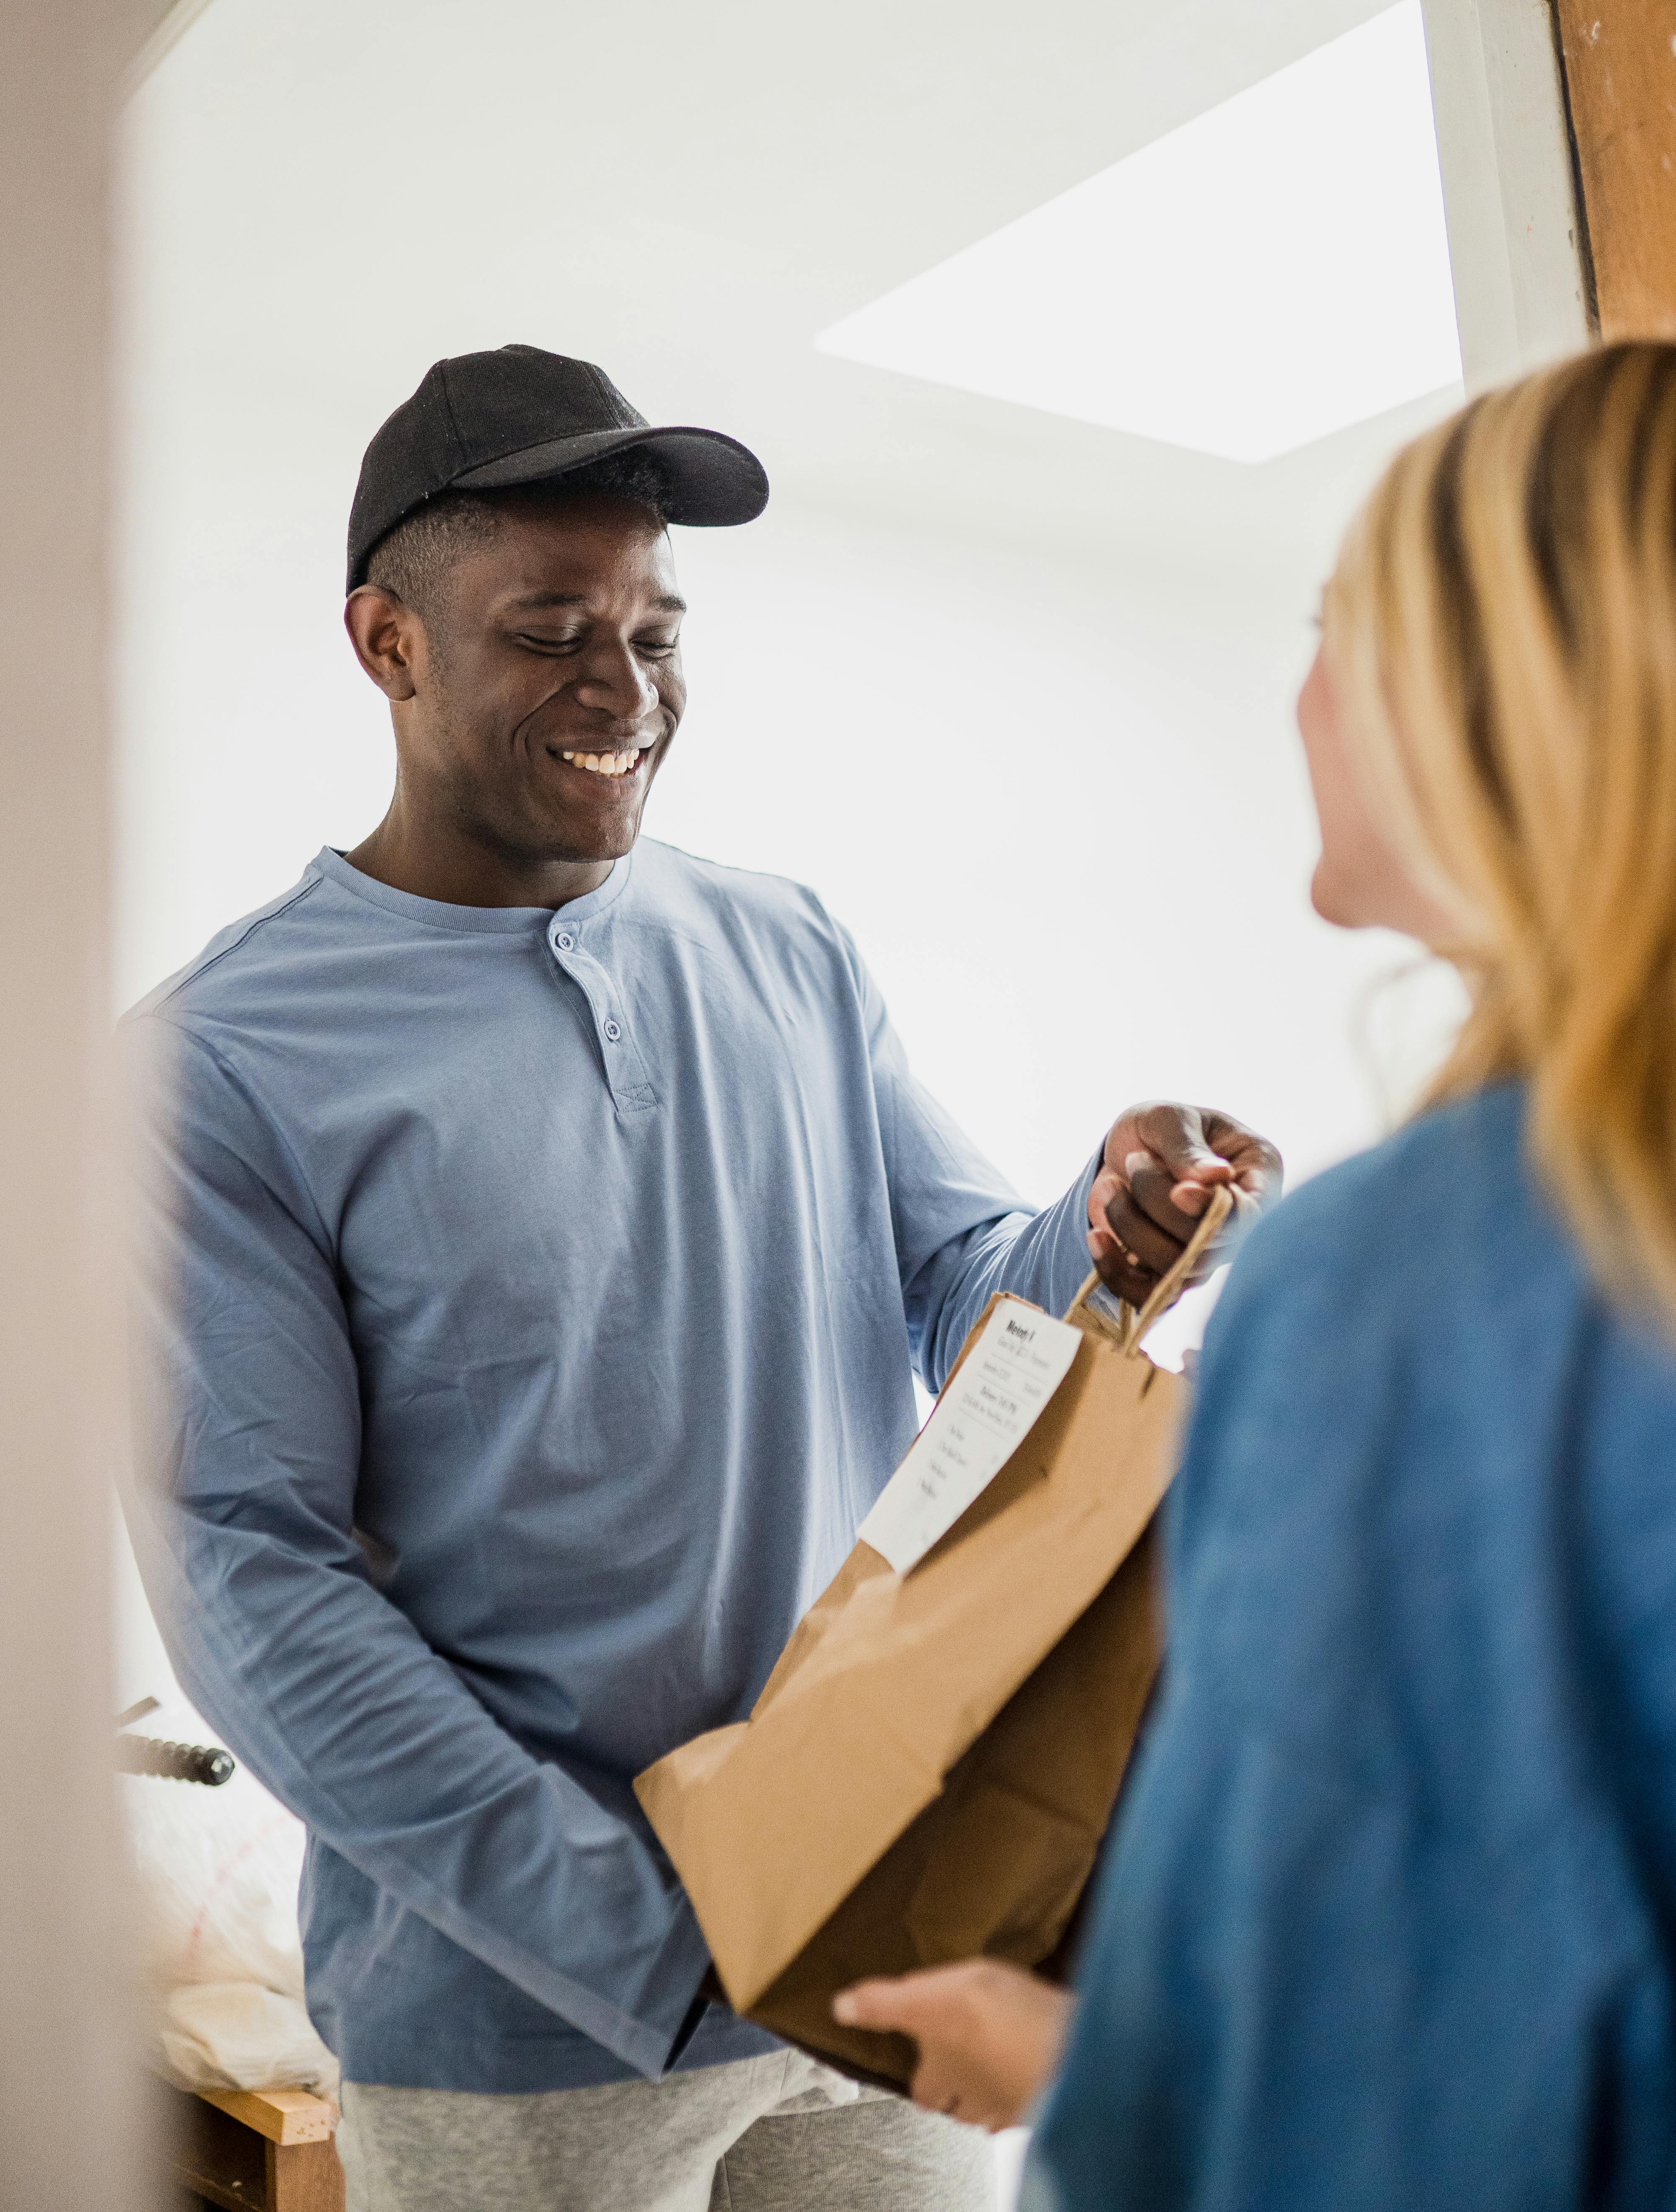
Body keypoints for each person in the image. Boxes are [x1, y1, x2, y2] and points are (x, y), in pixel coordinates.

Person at [123, 342, 1283, 2212]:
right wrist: (660, 1930)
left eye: (657, 631)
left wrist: (1110, 1223)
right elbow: (254, 1587)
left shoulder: (785, 945)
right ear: (387, 643)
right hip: (524, 2035)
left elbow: (958, 1292)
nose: (626, 688)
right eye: (554, 627)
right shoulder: (215, 1064)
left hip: (880, 1928)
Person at [837, 341, 1676, 2211]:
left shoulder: (1396, 1282)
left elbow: (1351, 2087)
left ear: (1495, 690)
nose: (1297, 696)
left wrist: (1079, 2060)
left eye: (1331, 625)